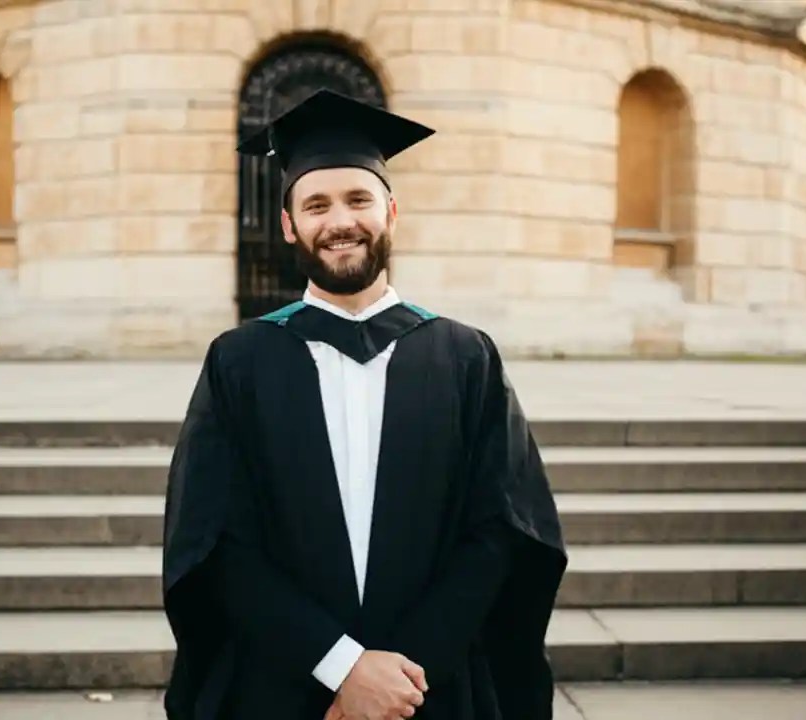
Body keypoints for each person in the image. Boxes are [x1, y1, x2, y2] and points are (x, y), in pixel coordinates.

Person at [162, 89, 567, 720]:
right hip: (286, 683)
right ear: (289, 223)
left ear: (392, 211)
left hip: (431, 687)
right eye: (317, 204)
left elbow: (503, 528)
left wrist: (397, 677)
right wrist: (342, 667)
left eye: (359, 199)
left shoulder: (465, 357)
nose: (340, 221)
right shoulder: (240, 360)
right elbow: (214, 540)